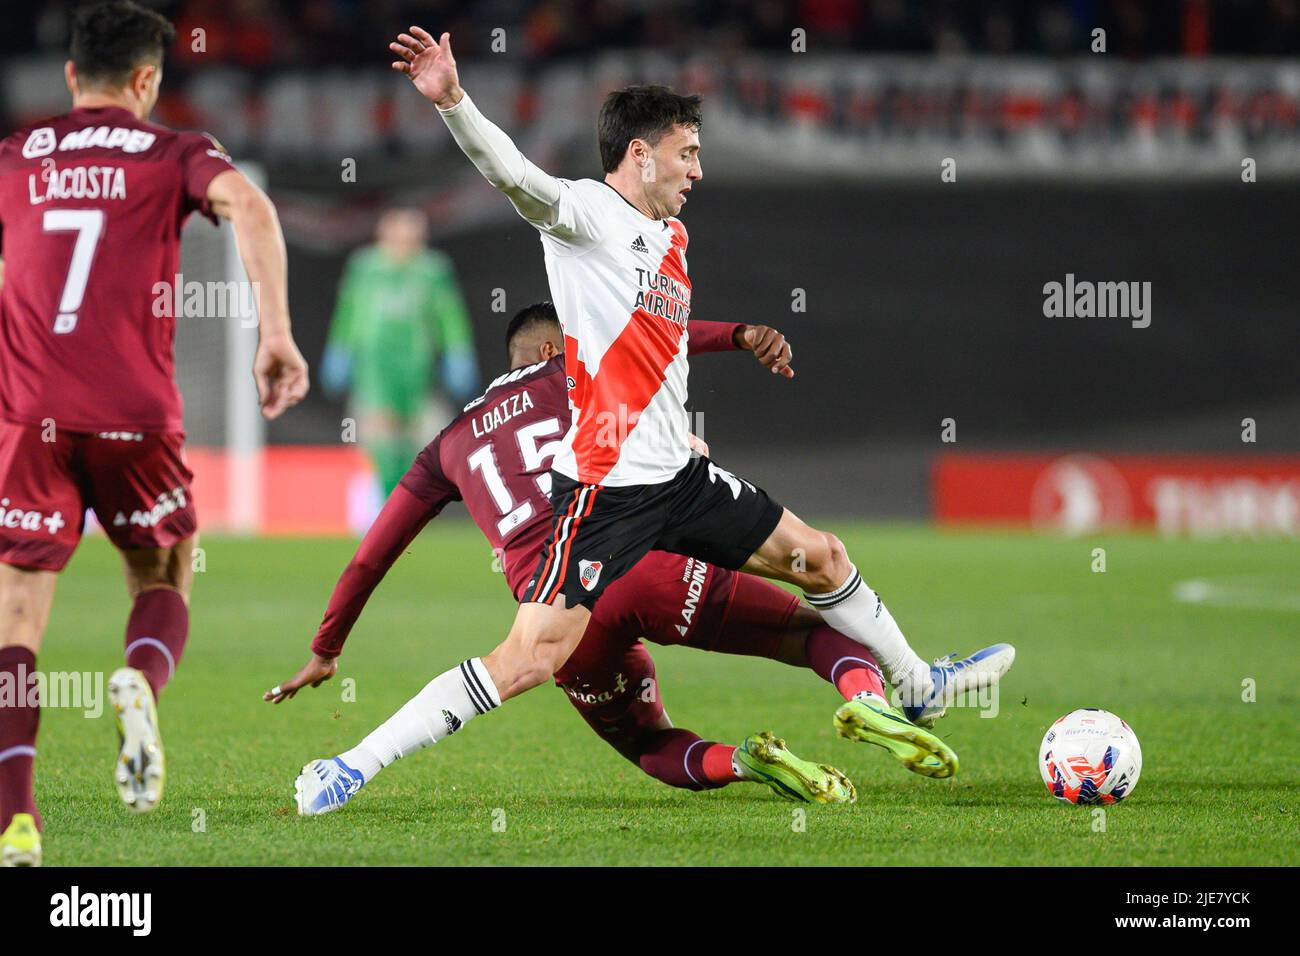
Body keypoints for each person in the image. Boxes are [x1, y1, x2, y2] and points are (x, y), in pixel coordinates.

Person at [324, 26, 1015, 798]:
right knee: (526, 660)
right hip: (602, 492)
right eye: (687, 152)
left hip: (680, 477)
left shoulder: (673, 238)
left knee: (821, 556)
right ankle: (353, 765)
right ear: (641, 155)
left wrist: (739, 337)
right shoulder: (584, 215)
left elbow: (658, 342)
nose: (698, 168)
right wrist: (452, 100)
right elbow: (511, 174)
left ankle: (916, 684)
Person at [269, 303, 960, 815]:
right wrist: (741, 336)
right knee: (810, 630)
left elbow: (370, 559)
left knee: (642, 740)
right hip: (643, 563)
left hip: (556, 610)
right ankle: (874, 696)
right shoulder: (575, 369)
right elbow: (662, 341)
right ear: (552, 346)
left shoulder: (445, 446)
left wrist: (327, 648)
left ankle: (351, 768)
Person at [0, 0, 309, 867]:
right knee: (164, 568)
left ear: (70, 77)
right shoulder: (176, 151)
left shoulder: (17, 156)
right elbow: (251, 210)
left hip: (30, 418)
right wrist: (275, 334)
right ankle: (137, 680)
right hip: (135, 414)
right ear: (147, 81)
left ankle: (16, 821)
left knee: (18, 616)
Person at [323, 207, 479, 496]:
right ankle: (386, 499)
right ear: (383, 236)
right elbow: (348, 313)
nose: (405, 244)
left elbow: (450, 315)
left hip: (417, 367)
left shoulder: (433, 270)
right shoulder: (365, 268)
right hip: (375, 367)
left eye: (413, 238)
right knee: (380, 432)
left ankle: (406, 503)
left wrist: (457, 351)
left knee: (415, 438)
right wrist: (339, 348)